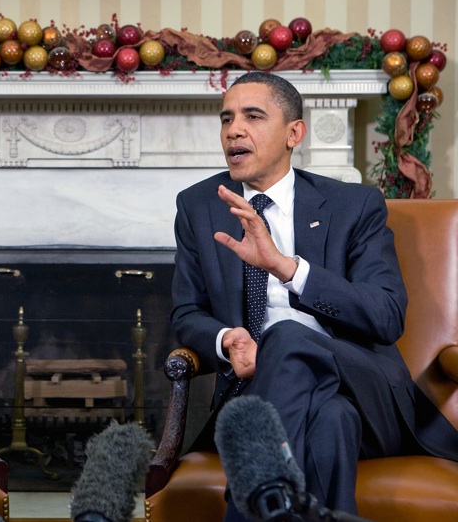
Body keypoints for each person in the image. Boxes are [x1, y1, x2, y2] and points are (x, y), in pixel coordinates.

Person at [171, 72, 458, 519]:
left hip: (366, 394)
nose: (233, 130)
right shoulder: (199, 206)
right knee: (329, 423)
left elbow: (386, 315)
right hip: (262, 393)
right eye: (226, 118)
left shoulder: (353, 205)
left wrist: (286, 268)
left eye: (252, 116)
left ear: (294, 133)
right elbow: (187, 312)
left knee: (285, 335)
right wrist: (228, 340)